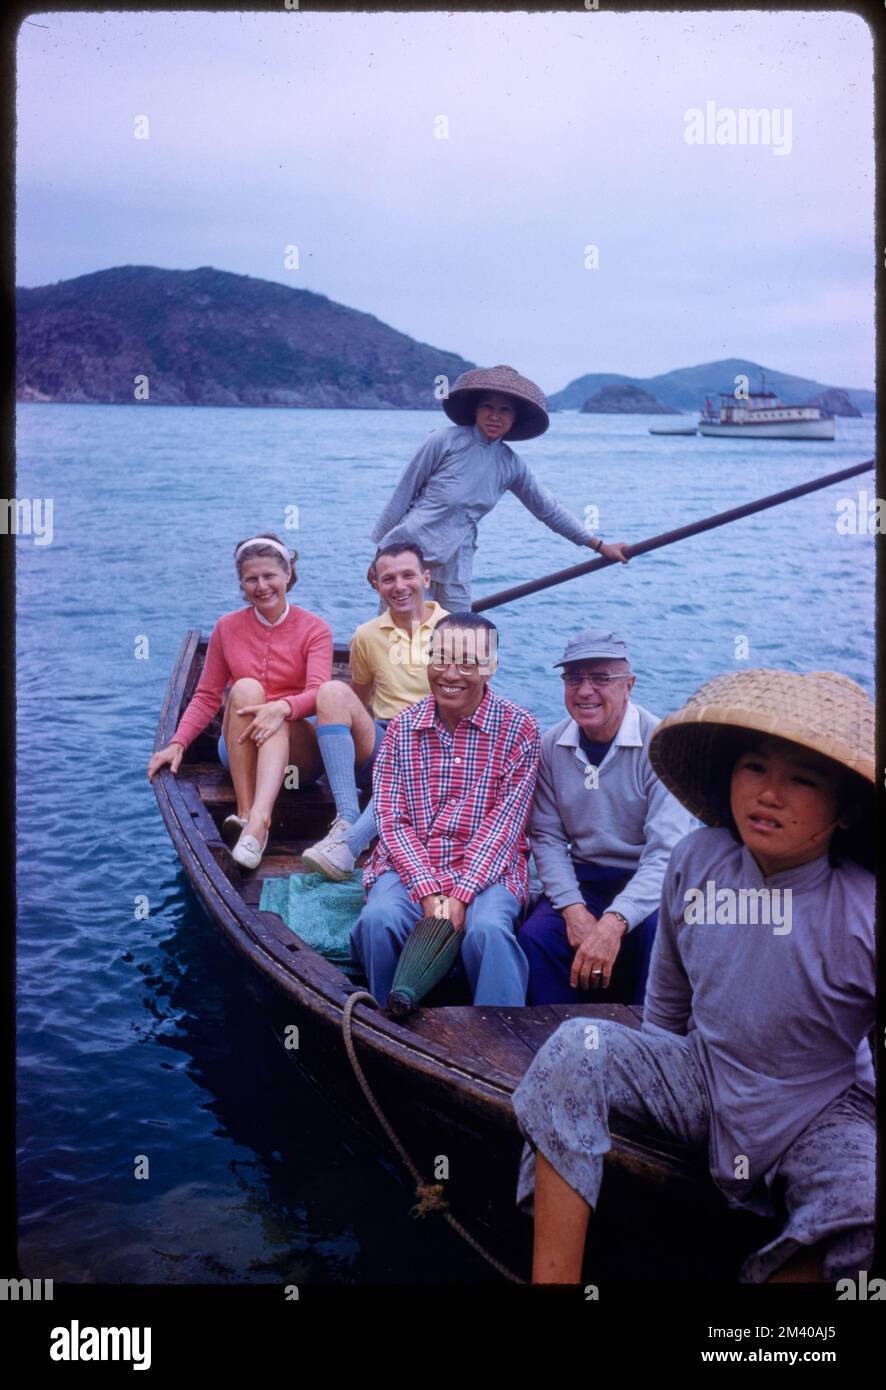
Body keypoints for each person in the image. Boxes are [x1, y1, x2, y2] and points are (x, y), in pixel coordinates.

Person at [512, 668, 875, 1285]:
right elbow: (667, 1009)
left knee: (864, 1198)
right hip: (703, 1076)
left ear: (844, 811)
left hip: (816, 1106)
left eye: (803, 781)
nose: (769, 794)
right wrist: (642, 1091)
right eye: (755, 768)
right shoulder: (698, 858)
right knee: (575, 1047)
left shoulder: (864, 907)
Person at [350, 613, 541, 1006]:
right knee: (378, 920)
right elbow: (391, 819)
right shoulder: (402, 728)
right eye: (440, 658)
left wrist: (461, 895)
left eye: (468, 662)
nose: (450, 673)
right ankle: (388, 1022)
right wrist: (426, 891)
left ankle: (500, 1037)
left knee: (487, 929)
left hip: (489, 871)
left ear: (491, 668)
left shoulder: (520, 729)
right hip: (409, 865)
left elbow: (504, 827)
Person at [519, 629, 693, 1004]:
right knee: (537, 938)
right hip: (587, 878)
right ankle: (550, 1040)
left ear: (629, 685)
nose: (585, 691)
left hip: (651, 881)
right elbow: (546, 838)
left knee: (655, 937)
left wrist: (615, 921)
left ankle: (647, 1042)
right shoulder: (552, 746)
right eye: (574, 678)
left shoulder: (663, 745)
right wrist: (573, 909)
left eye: (601, 678)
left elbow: (666, 854)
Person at [370, 364, 630, 611]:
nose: (495, 416)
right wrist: (380, 556)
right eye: (488, 407)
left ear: (514, 418)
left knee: (457, 643)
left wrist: (599, 546)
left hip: (457, 564)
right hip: (408, 558)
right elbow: (401, 496)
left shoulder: (511, 465)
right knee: (404, 641)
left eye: (505, 410)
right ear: (475, 409)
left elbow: (548, 510)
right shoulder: (444, 441)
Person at [147, 534, 332, 870]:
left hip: (297, 762)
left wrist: (282, 708)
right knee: (245, 688)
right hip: (240, 752)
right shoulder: (226, 627)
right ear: (242, 584)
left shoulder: (315, 629)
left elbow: (319, 694)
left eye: (269, 576)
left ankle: (257, 824)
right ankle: (248, 814)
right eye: (251, 579)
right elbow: (205, 696)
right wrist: (177, 743)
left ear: (287, 574)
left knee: (273, 716)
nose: (261, 586)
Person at [301, 543, 447, 879]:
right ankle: (347, 817)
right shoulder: (366, 636)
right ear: (376, 586)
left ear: (426, 577)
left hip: (438, 748)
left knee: (412, 747)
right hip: (384, 742)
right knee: (332, 691)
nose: (399, 586)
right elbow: (360, 697)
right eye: (388, 579)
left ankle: (349, 848)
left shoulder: (454, 630)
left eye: (408, 575)